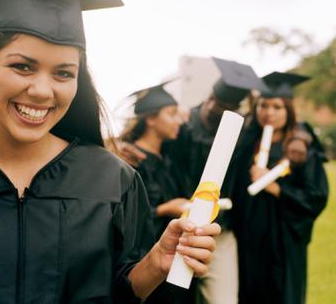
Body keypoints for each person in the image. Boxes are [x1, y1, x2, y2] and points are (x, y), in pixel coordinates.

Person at [0, 0, 220, 303]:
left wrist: (153, 266)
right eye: (22, 67)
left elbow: (116, 294)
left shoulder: (112, 181)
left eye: (63, 73)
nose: (42, 90)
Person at [118, 58, 269, 304]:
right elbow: (143, 139)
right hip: (174, 233)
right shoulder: (184, 128)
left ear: (235, 109)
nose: (212, 108)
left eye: (223, 106)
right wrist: (121, 146)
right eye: (212, 100)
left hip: (217, 227)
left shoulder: (241, 134)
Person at [231, 72, 329, 304]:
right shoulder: (246, 142)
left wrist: (276, 189)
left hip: (282, 241)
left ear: (289, 110)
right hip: (249, 238)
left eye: (277, 106)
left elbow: (316, 197)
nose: (269, 113)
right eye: (263, 105)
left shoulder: (300, 149)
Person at [120, 81, 195, 303]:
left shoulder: (167, 157)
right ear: (151, 119)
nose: (178, 121)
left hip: (177, 256)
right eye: (171, 114)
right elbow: (124, 215)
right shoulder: (129, 161)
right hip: (146, 260)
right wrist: (165, 209)